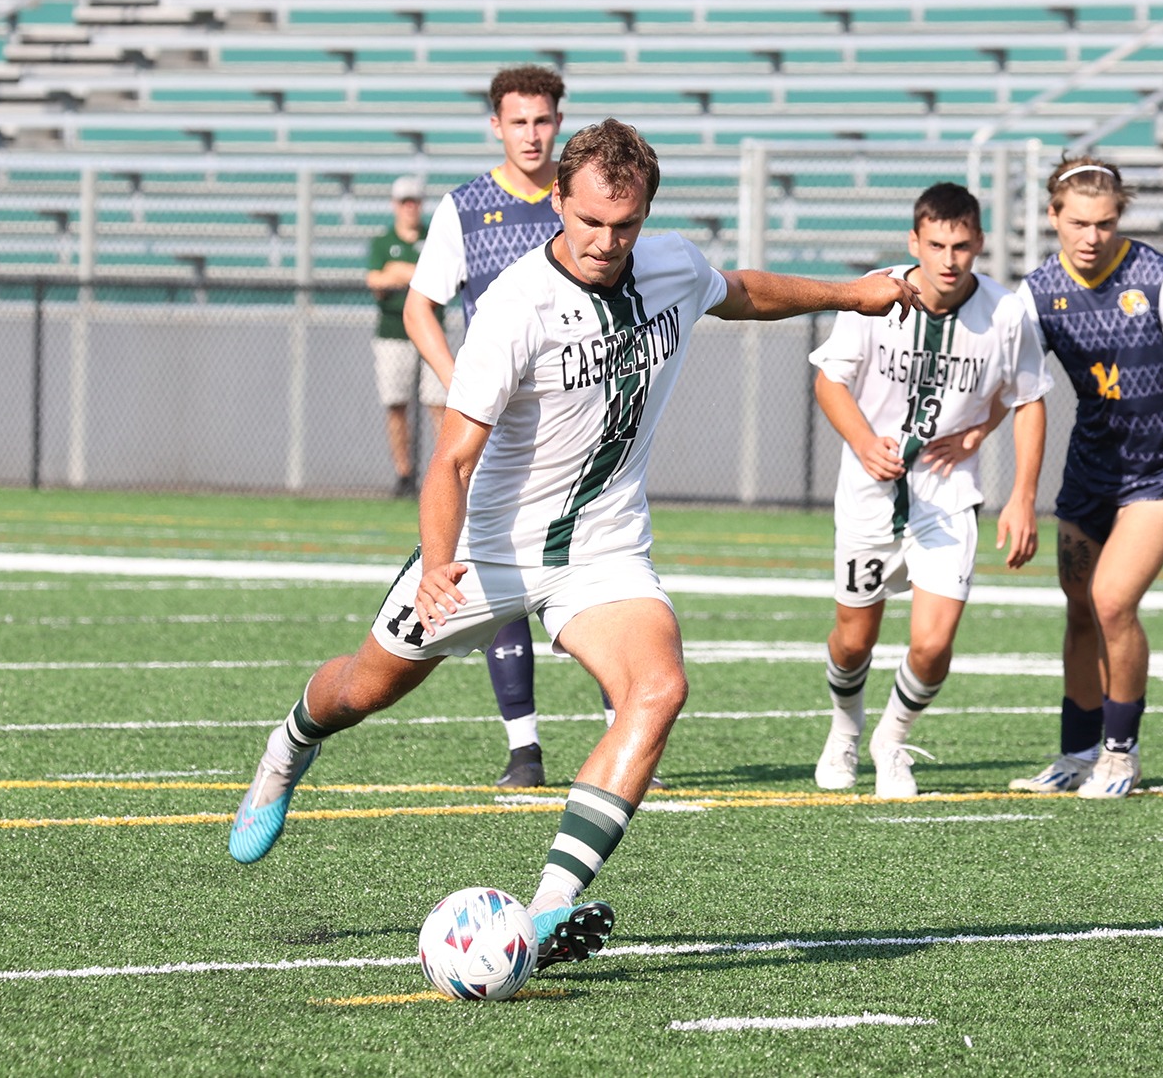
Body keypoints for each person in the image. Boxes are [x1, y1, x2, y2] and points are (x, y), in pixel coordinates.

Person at [229, 119, 917, 968]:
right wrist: (439, 558)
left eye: (623, 225)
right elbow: (450, 457)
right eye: (589, 221)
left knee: (658, 687)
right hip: (486, 550)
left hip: (603, 548)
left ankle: (547, 907)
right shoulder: (515, 308)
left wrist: (853, 293)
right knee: (361, 690)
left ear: (645, 214)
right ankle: (286, 748)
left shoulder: (668, 264)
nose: (605, 240)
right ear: (559, 200)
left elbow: (737, 291)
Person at [811, 183, 1051, 798]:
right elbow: (830, 383)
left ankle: (891, 740)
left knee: (935, 641)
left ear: (980, 245)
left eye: (963, 245)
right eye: (937, 244)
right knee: (853, 636)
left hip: (947, 495)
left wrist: (1021, 493)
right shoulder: (874, 293)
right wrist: (865, 442)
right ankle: (844, 728)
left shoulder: (1006, 312)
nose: (949, 259)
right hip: (869, 492)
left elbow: (1026, 399)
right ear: (914, 241)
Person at [405, 65, 608, 790]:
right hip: (500, 421)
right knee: (499, 567)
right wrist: (456, 375)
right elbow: (420, 306)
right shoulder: (465, 208)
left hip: (582, 414)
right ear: (496, 125)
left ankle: (624, 718)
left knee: (604, 558)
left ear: (560, 120)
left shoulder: (579, 200)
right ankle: (525, 747)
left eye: (543, 119)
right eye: (518, 121)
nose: (532, 133)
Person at [1007, 156, 1163, 799]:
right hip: (1090, 474)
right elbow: (1022, 391)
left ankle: (1119, 753)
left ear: (1119, 220)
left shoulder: (1161, 280)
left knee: (1111, 601)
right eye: (1078, 222)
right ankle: (1076, 752)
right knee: (1079, 613)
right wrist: (1016, 490)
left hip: (1162, 471)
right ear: (1053, 217)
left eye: (1104, 223)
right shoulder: (1037, 293)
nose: (1091, 236)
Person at [367, 175, 428, 498]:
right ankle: (404, 474)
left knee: (440, 404)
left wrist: (399, 271)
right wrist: (415, 273)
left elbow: (442, 277)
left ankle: (438, 472)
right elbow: (375, 280)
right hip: (393, 331)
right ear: (395, 205)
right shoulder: (382, 240)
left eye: (414, 201)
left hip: (431, 329)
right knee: (396, 404)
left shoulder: (432, 236)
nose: (410, 208)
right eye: (404, 202)